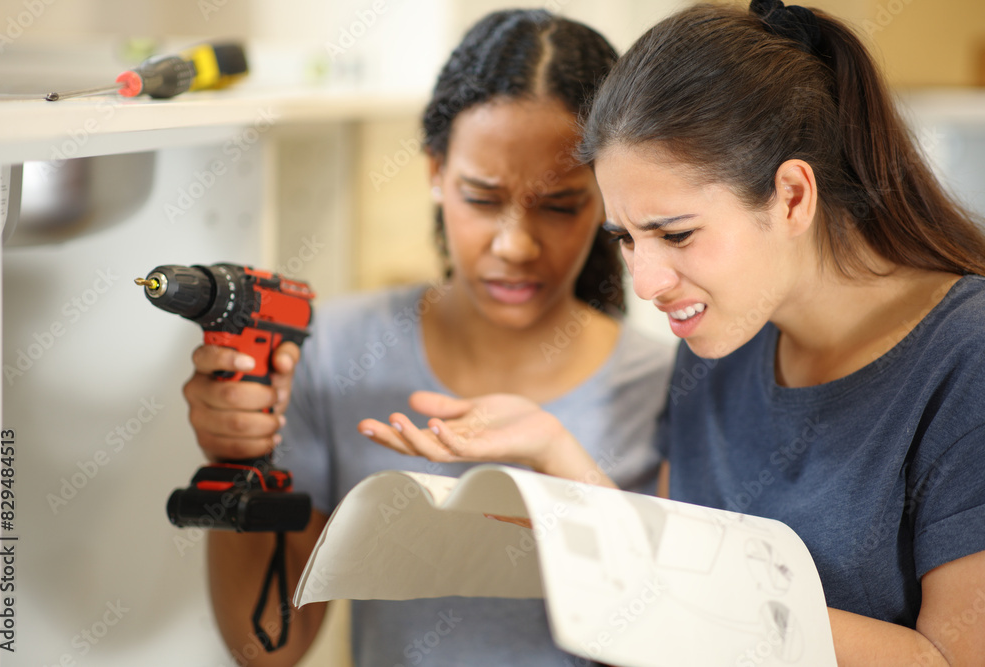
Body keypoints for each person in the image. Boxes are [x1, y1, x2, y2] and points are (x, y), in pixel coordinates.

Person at [364, 2, 985, 665]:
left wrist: (712, 602)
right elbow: (663, 595)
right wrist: (556, 453)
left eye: (677, 234)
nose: (646, 282)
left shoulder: (965, 359)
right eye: (627, 238)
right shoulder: (717, 341)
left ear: (793, 197)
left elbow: (951, 658)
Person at [183, 9, 672, 667]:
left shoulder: (666, 388)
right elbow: (268, 644)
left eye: (560, 205)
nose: (515, 245)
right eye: (482, 198)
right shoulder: (331, 353)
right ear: (436, 170)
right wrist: (235, 460)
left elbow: (675, 639)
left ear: (606, 195)